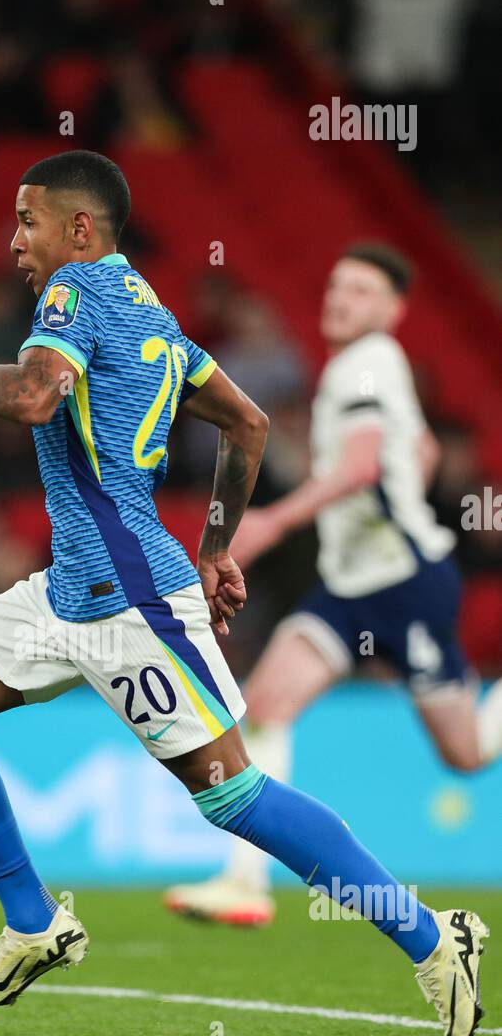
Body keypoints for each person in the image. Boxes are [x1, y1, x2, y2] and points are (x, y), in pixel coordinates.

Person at [0, 154, 486, 1036]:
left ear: (79, 230)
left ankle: (432, 940)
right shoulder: (150, 312)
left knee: (232, 796)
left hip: (129, 603)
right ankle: (34, 924)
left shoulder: (74, 295)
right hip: (66, 591)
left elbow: (36, 397)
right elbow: (247, 424)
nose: (14, 241)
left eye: (28, 221)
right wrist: (214, 547)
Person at [166, 244, 502, 928]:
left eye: (360, 291)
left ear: (391, 310)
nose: (339, 298)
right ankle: (244, 882)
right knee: (263, 703)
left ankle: (245, 880)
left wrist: (271, 522)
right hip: (349, 589)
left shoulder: (364, 363)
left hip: (405, 586)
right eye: (336, 286)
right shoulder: (375, 369)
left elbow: (356, 466)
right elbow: (418, 451)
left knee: (465, 755)